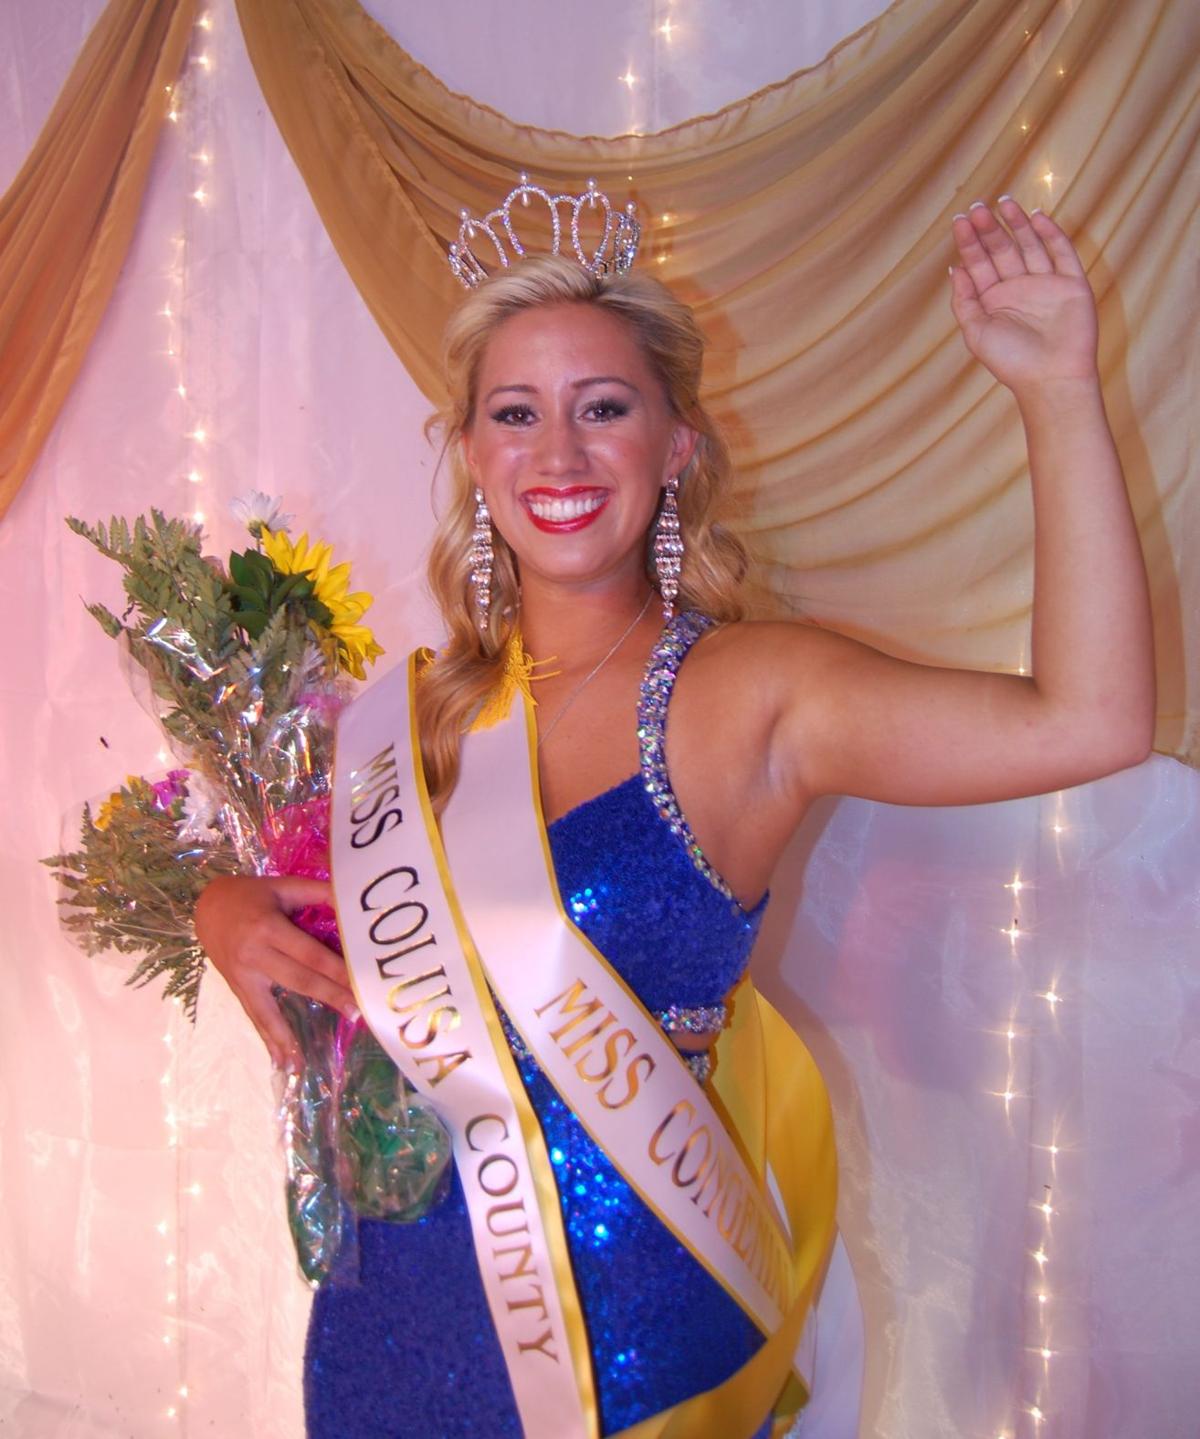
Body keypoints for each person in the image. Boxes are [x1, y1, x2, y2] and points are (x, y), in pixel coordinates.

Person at [194, 194, 1154, 1438]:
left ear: (676, 446)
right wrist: (221, 911)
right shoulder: (418, 723)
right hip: (388, 1322)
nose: (560, 454)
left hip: (627, 1347)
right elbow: (346, 970)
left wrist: (1059, 390)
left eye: (605, 407)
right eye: (515, 414)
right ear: (473, 455)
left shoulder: (751, 695)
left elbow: (1091, 718)